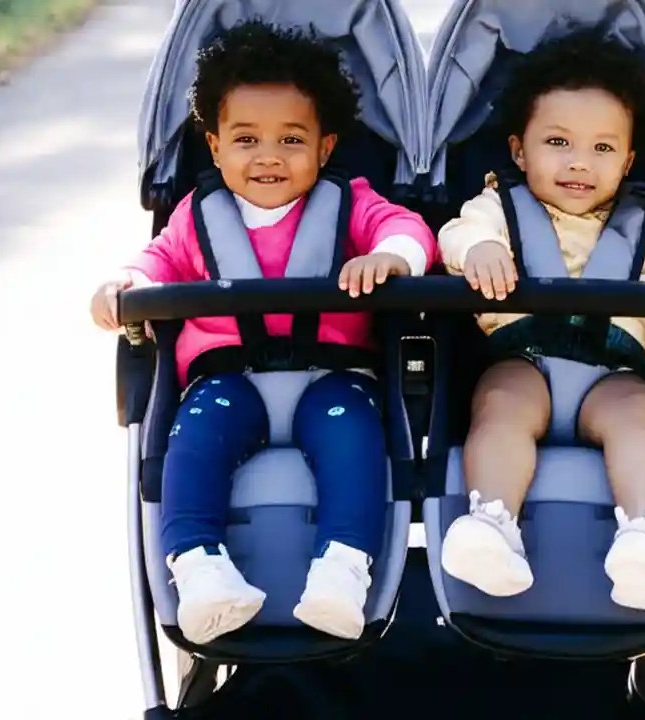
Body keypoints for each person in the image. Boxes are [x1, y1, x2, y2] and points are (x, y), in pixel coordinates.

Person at [90, 21, 436, 641]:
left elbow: (409, 229)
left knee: (354, 437)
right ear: (215, 147)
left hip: (332, 377)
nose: (269, 156)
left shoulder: (350, 203)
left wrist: (392, 257)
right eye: (246, 139)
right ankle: (199, 568)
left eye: (291, 139)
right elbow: (155, 264)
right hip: (226, 379)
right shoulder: (196, 219)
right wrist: (122, 285)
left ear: (326, 147)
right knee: (191, 439)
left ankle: (342, 569)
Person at [436, 30, 645, 610]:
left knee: (643, 421)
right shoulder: (499, 208)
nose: (579, 162)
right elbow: (456, 232)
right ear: (520, 152)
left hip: (614, 375)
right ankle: (491, 522)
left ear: (627, 159)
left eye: (602, 149)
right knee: (498, 408)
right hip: (522, 362)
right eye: (558, 142)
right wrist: (479, 251)